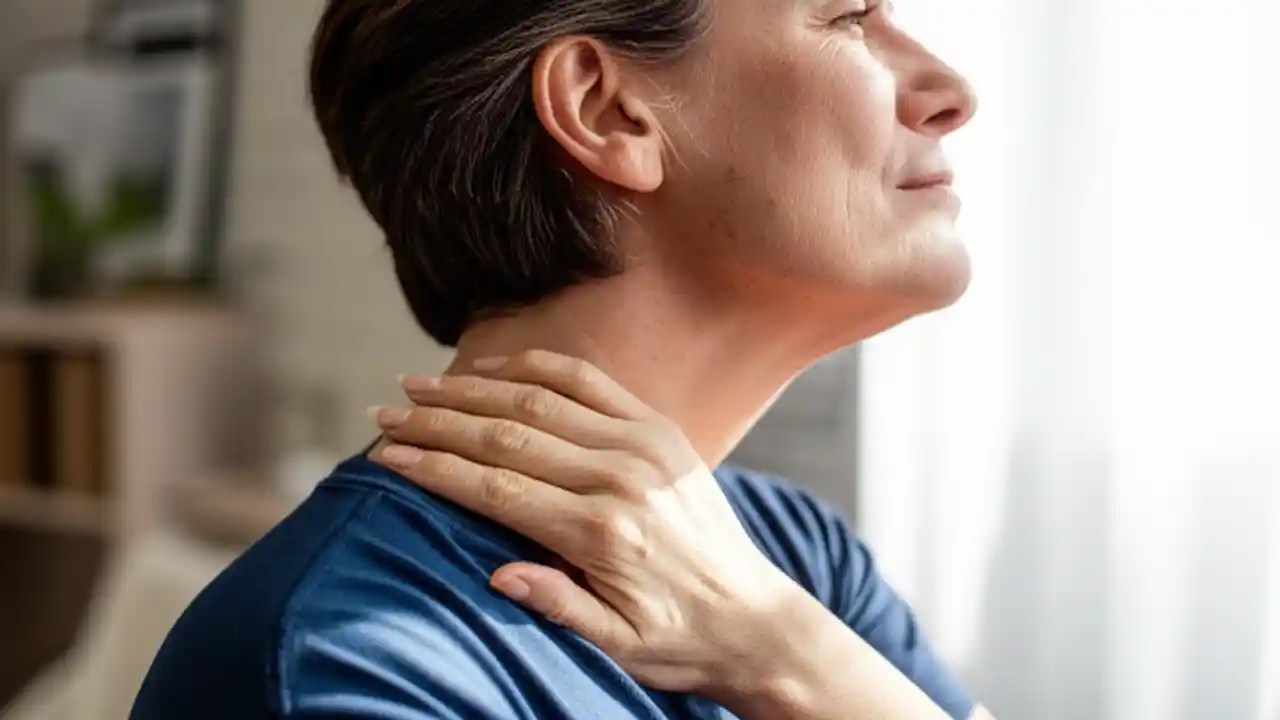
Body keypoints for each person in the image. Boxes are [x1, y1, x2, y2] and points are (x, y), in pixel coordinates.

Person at [131, 0, 991, 717]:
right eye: (848, 15)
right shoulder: (345, 660)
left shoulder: (795, 561)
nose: (952, 94)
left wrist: (785, 647)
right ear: (605, 110)